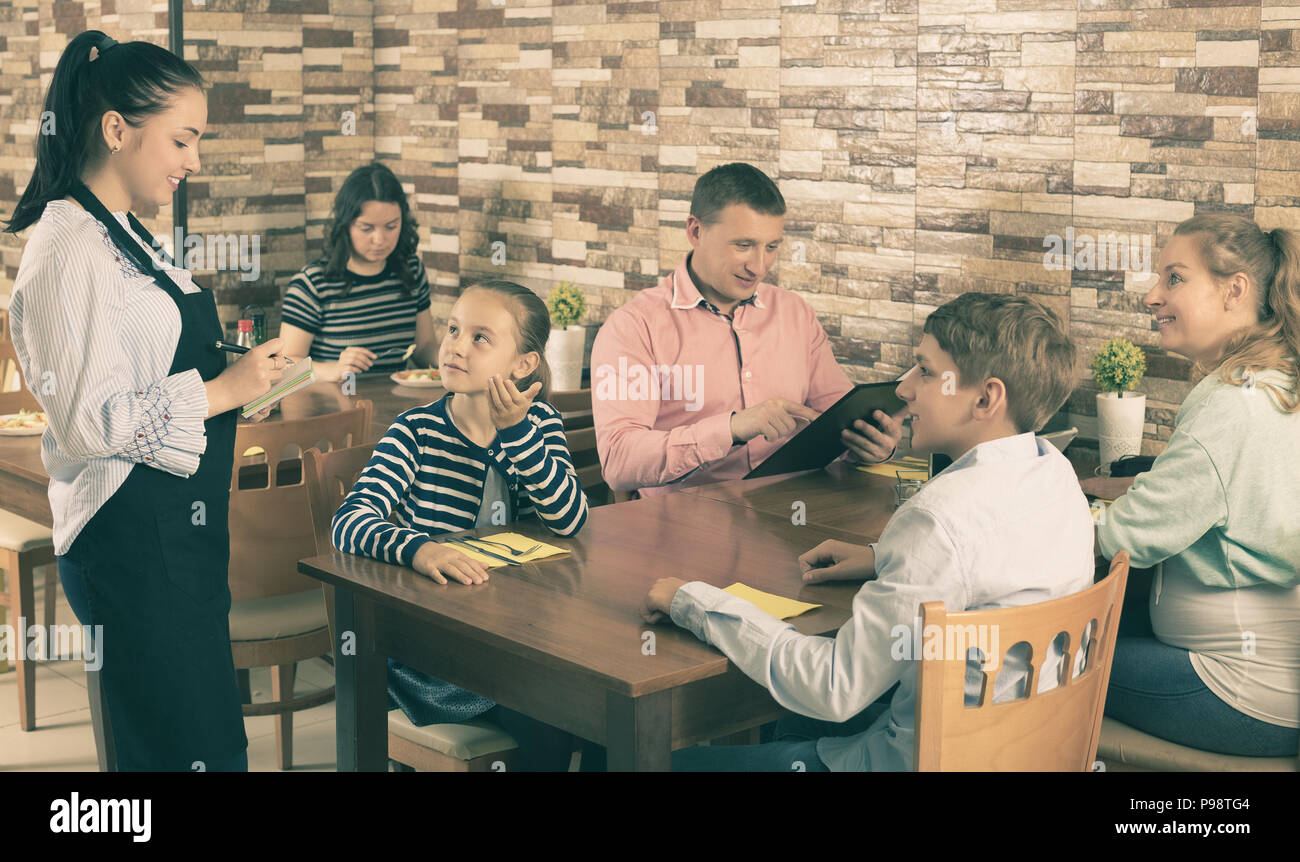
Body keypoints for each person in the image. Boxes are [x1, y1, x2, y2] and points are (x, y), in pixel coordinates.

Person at [642, 293, 1093, 771]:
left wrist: (692, 600)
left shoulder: (938, 520)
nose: (904, 390)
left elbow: (834, 688)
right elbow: (987, 559)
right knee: (790, 724)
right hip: (1019, 753)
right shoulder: (1056, 473)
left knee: (654, 762)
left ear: (985, 398)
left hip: (916, 762)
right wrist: (885, 556)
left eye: (923, 370)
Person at [4, 31, 285, 771]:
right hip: (126, 539)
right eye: (182, 139)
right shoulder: (65, 246)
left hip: (177, 534)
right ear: (116, 129)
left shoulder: (126, 232)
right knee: (173, 749)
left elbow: (149, 366)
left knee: (210, 743)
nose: (194, 160)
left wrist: (254, 380)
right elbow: (87, 421)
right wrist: (223, 389)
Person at [332, 280, 588, 770]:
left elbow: (570, 519)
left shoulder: (541, 426)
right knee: (551, 715)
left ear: (524, 364)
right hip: (431, 655)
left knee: (594, 710)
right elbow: (349, 522)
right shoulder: (414, 432)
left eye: (479, 338)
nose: (454, 346)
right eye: (453, 329)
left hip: (518, 637)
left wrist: (518, 435)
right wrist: (421, 550)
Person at [1086, 214, 1300, 757]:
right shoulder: (1277, 386)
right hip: (1274, 685)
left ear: (1235, 290)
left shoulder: (1227, 405)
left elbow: (1118, 542)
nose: (1151, 296)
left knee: (1027, 658)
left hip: (1239, 690)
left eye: (1174, 278)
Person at [590, 163, 902, 498]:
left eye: (771, 247)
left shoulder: (795, 314)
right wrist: (732, 428)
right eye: (743, 245)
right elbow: (619, 463)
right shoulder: (633, 327)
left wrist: (874, 443)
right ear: (695, 231)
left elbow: (838, 418)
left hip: (794, 513)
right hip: (686, 526)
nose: (759, 266)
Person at [279, 162, 437, 381]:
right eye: (366, 228)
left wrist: (453, 361)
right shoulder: (312, 283)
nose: (380, 240)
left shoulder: (412, 271)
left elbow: (424, 348)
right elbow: (285, 365)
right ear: (346, 225)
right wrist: (335, 369)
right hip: (335, 409)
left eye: (391, 226)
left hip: (397, 408)